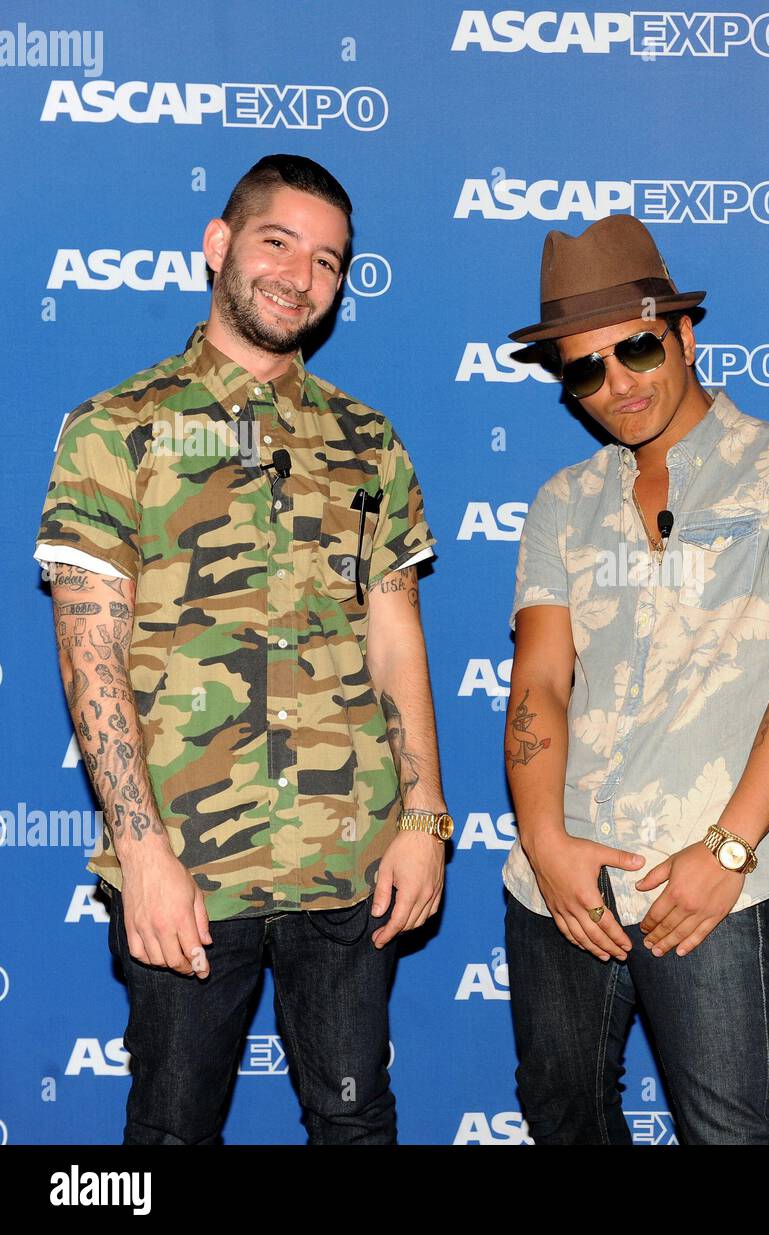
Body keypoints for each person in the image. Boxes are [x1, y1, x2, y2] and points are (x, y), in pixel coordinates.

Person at [35, 154, 451, 1145]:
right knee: (170, 1130)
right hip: (185, 865)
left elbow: (395, 636)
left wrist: (425, 816)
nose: (301, 275)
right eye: (278, 243)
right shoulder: (116, 430)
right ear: (219, 245)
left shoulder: (369, 442)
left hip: (351, 863)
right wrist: (141, 855)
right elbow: (90, 656)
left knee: (358, 1123)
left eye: (327, 260)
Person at [502, 214, 769, 1144]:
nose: (615, 384)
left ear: (683, 332)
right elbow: (539, 683)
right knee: (564, 1122)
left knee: (731, 1135)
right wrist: (545, 842)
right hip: (563, 881)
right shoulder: (562, 503)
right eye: (584, 368)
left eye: (634, 348)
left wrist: (730, 853)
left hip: (708, 886)